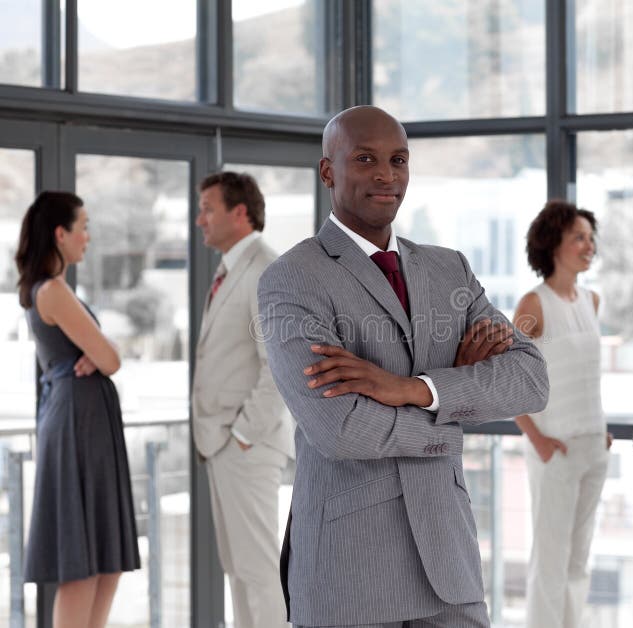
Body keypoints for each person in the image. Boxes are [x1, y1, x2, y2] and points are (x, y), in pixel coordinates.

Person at [257, 105, 550, 628]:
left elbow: (530, 378)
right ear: (328, 171)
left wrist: (413, 389)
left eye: (399, 160)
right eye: (365, 159)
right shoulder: (293, 278)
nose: (386, 175)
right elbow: (340, 429)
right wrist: (452, 419)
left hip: (450, 568)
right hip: (351, 574)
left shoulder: (448, 267)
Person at [15, 191, 140, 628]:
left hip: (86, 421)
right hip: (77, 425)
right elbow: (110, 359)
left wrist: (104, 351)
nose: (88, 236)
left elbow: (105, 356)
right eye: (83, 226)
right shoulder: (52, 290)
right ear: (60, 234)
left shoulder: (56, 289)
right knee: (82, 562)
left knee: (105, 559)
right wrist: (105, 351)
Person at [192, 171, 294, 628]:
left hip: (245, 444)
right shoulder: (230, 268)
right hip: (222, 443)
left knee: (258, 570)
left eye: (208, 209)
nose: (200, 220)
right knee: (238, 570)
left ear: (240, 212)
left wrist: (243, 435)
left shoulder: (264, 269)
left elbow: (279, 365)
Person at [513, 200, 611, 628]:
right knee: (551, 562)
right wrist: (536, 439)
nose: (589, 246)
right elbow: (508, 378)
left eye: (591, 237)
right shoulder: (534, 305)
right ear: (553, 243)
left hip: (594, 446)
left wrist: (602, 432)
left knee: (579, 560)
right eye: (579, 237)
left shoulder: (593, 299)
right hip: (554, 449)